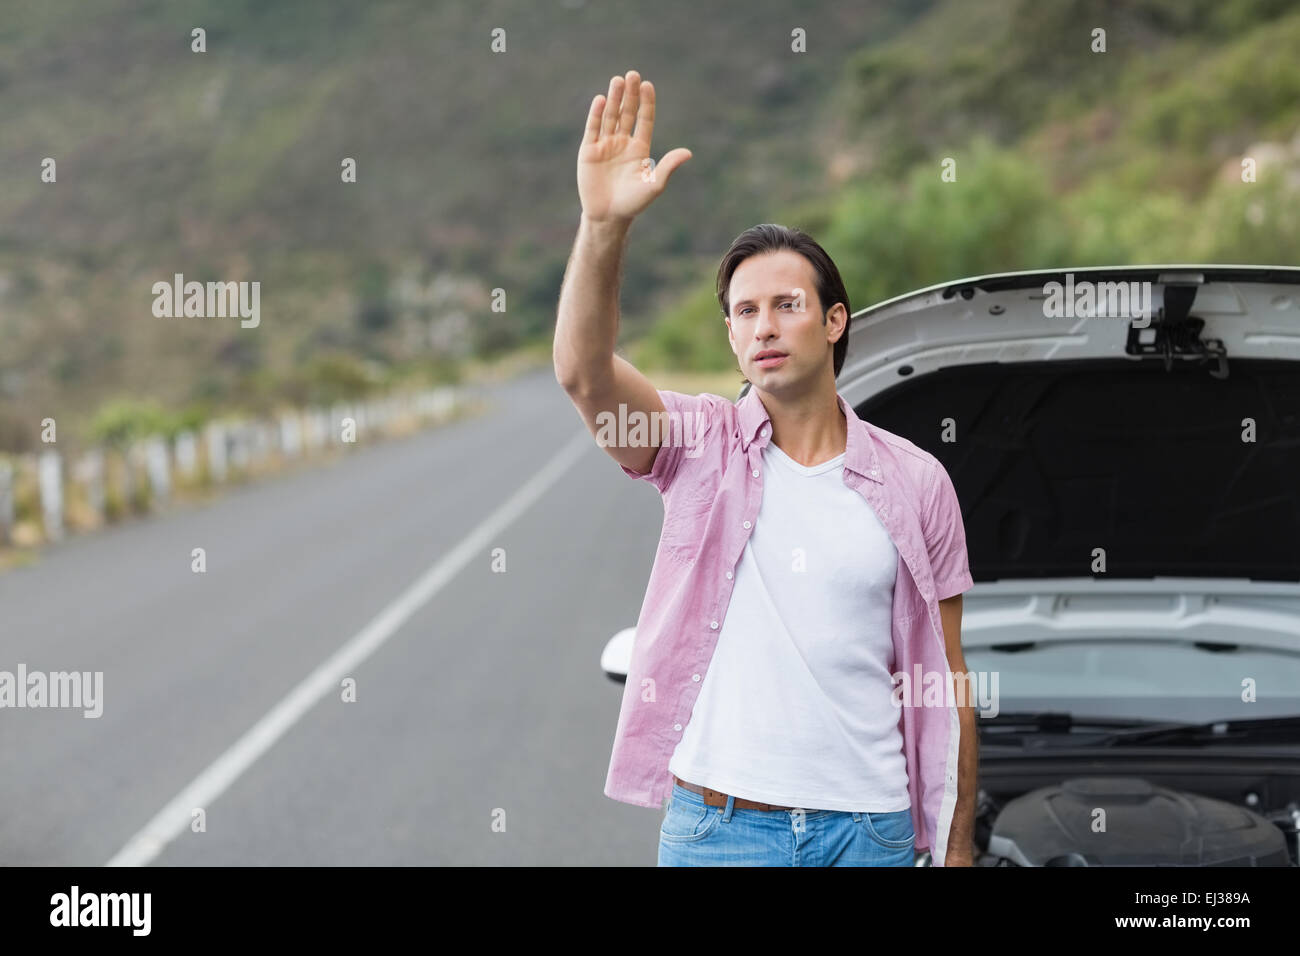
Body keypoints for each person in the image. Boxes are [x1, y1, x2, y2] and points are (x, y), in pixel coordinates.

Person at [554, 70, 977, 866]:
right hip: (720, 830)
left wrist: (956, 848)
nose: (765, 325)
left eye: (787, 303)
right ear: (730, 338)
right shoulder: (695, 445)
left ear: (834, 320)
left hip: (870, 830)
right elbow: (584, 374)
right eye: (745, 312)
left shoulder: (919, 481)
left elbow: (946, 681)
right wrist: (602, 225)